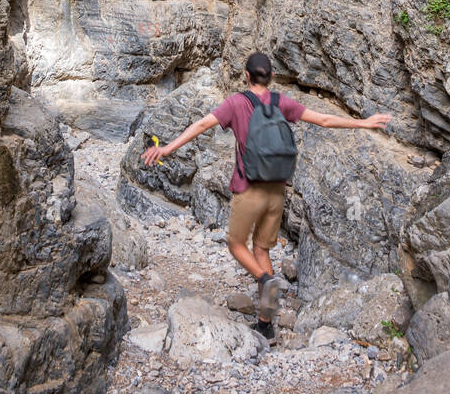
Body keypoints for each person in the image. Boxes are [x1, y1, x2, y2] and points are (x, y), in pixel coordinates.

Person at [142, 52, 392, 341]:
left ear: (246, 76)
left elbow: (200, 126)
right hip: (277, 190)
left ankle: (264, 279)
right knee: (262, 251)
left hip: (249, 189)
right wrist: (363, 123)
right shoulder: (280, 102)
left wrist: (166, 149)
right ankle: (266, 325)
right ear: (271, 77)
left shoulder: (236, 103)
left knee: (236, 244)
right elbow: (322, 120)